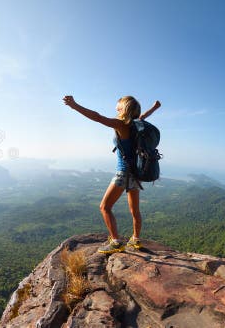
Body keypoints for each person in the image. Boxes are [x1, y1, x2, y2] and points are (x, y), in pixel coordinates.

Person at [62, 95, 161, 253]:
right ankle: (136, 240)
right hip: (135, 173)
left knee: (105, 207)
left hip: (123, 173)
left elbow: (98, 117)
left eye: (118, 107)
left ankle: (116, 242)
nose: (116, 109)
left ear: (124, 108)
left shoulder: (121, 124)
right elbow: (143, 116)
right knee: (135, 211)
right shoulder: (136, 125)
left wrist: (75, 106)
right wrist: (154, 108)